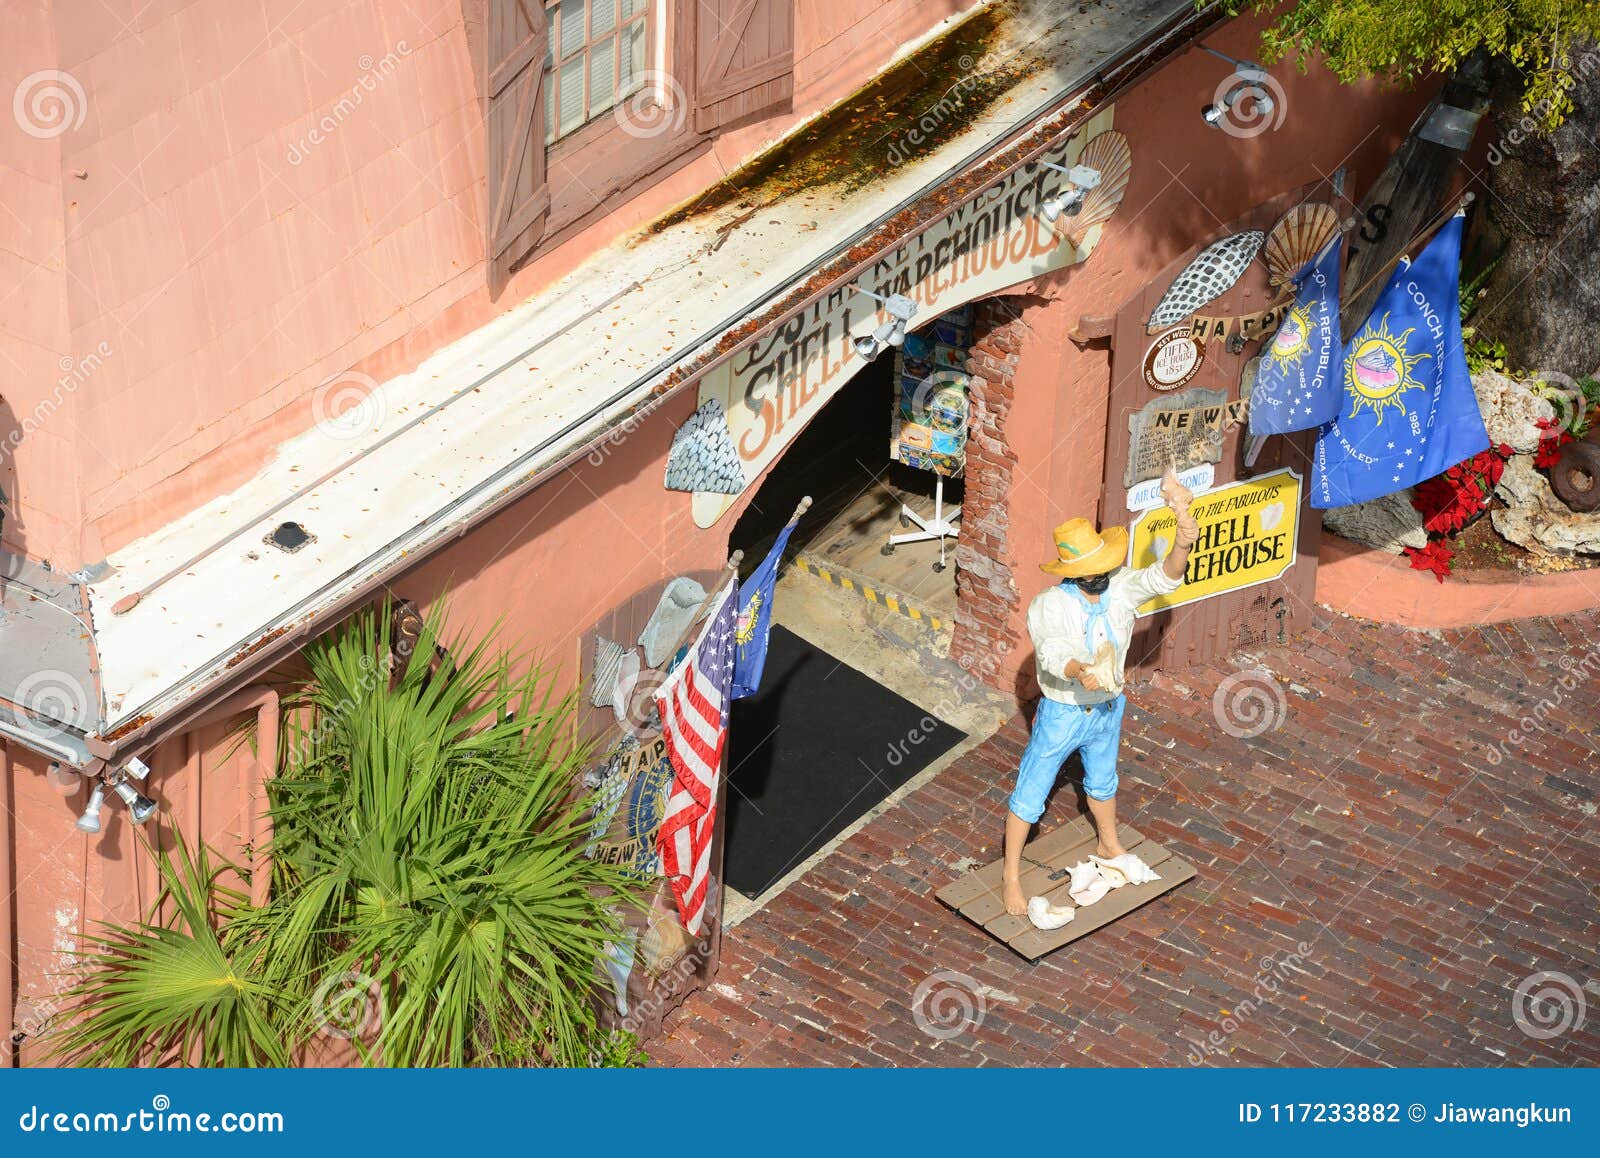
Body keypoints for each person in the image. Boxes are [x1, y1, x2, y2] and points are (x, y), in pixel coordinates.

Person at [1002, 471, 1198, 917]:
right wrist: (1079, 670)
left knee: (1104, 780)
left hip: (1108, 708)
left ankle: (1109, 842)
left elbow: (1162, 578)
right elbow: (1051, 650)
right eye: (1086, 574)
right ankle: (1010, 873)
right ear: (1072, 573)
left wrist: (1182, 544)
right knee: (1032, 790)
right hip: (1064, 711)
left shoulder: (1119, 587)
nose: (1096, 579)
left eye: (1099, 571)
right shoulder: (1049, 605)